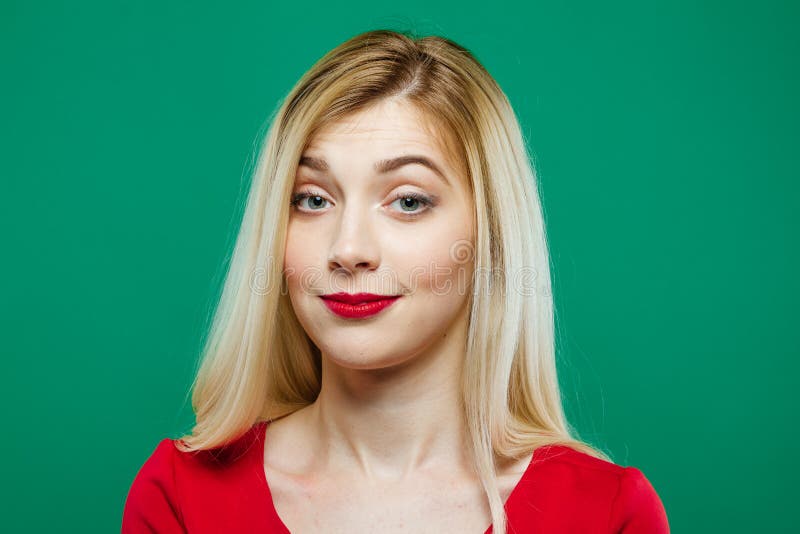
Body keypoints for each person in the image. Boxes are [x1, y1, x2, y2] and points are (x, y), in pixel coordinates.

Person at [121, 29, 670, 533]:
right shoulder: (180, 496)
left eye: (407, 201)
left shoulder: (607, 513)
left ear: (492, 235)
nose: (349, 250)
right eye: (313, 199)